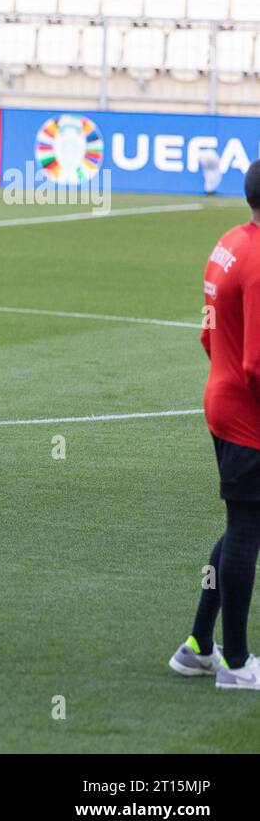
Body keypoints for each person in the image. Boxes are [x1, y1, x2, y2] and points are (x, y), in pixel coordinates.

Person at [169, 160, 260, 689]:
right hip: (248, 413)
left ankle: (200, 646)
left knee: (243, 526)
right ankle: (238, 662)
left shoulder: (231, 240)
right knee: (247, 532)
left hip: (222, 398)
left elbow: (209, 332)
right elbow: (257, 364)